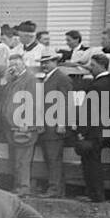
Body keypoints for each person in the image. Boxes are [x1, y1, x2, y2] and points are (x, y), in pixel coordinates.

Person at [74, 53, 110, 203]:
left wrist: (82, 131)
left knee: (91, 164)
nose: (90, 68)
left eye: (93, 65)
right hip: (104, 128)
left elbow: (90, 111)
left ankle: (95, 195)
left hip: (93, 131)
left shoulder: (97, 86)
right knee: (94, 162)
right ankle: (95, 194)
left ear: (101, 66)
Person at [0, 52, 40, 196]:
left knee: (22, 160)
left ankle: (23, 188)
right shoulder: (13, 80)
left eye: (16, 64)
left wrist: (27, 124)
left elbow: (33, 103)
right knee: (15, 159)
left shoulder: (30, 80)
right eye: (11, 65)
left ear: (23, 64)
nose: (13, 68)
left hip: (23, 127)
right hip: (11, 127)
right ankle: (17, 186)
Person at [36, 50, 72, 197]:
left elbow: (66, 102)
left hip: (55, 126)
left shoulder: (61, 78)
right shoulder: (48, 78)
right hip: (47, 125)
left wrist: (62, 123)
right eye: (42, 62)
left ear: (55, 62)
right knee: (50, 158)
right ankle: (57, 189)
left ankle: (55, 189)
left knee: (53, 159)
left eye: (48, 62)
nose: (44, 65)